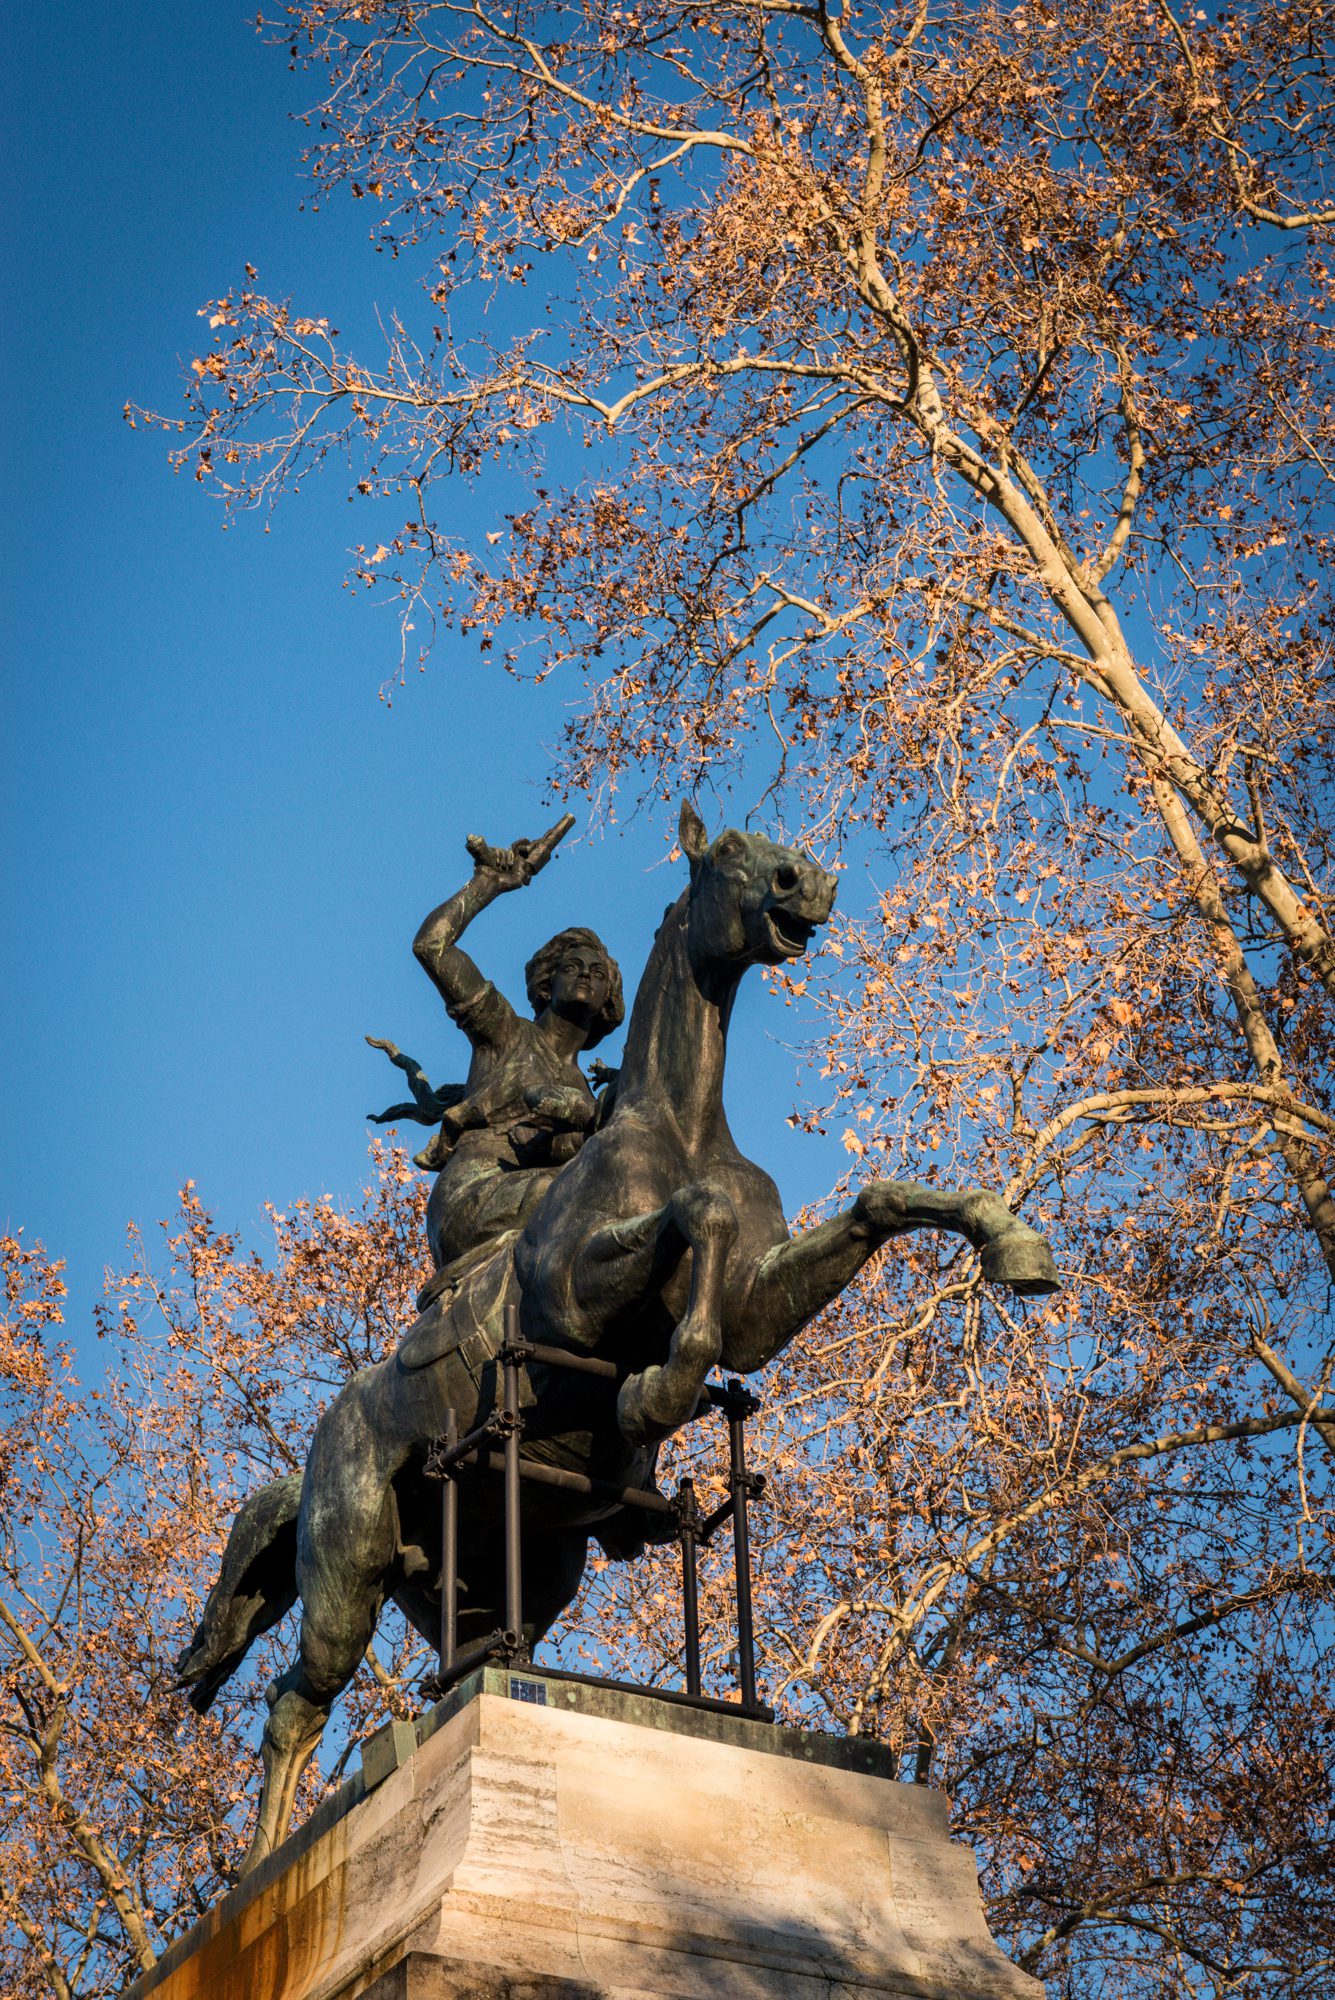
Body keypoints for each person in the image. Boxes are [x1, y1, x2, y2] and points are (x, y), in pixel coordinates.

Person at [367, 816, 623, 1284]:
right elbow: (431, 947)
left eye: (599, 972)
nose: (587, 973)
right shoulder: (506, 1033)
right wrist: (489, 882)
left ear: (610, 999)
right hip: (473, 1200)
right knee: (602, 1193)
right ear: (547, 982)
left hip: (545, 1218)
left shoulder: (583, 1091)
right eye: (573, 965)